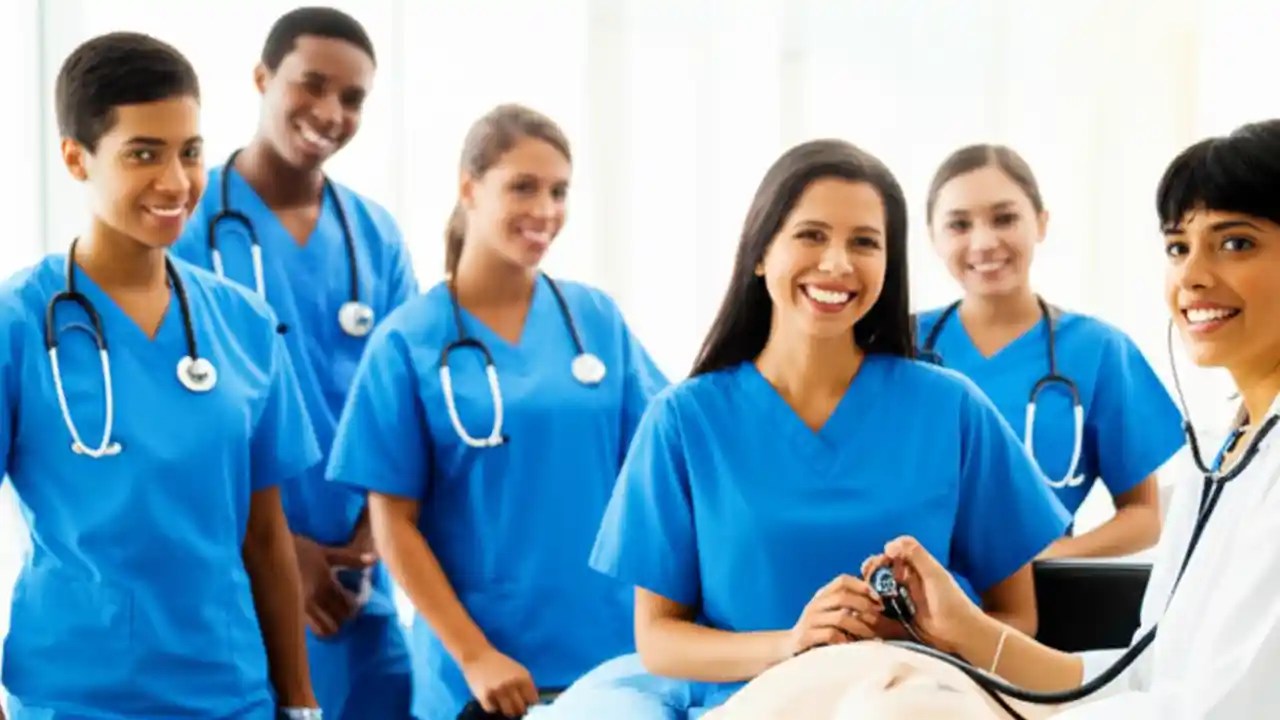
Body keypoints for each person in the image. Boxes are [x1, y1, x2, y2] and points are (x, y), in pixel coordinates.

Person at [543, 138, 1071, 719]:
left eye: (865, 243)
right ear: (762, 252)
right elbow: (660, 640)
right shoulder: (684, 422)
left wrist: (927, 639)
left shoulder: (953, 410)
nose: (838, 264)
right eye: (811, 235)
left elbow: (1017, 617)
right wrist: (793, 645)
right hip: (755, 703)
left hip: (913, 697)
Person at [808, 119, 1280, 719]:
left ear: (1041, 221)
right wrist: (968, 631)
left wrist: (1051, 552)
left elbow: (1214, 709)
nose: (1191, 276)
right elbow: (1142, 675)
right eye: (1177, 248)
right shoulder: (1224, 461)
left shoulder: (1100, 352)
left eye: (1235, 243)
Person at [0, 32, 321, 719]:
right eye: (143, 153)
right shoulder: (18, 324)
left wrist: (300, 704)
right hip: (72, 699)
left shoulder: (245, 324)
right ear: (76, 158)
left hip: (228, 694)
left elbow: (266, 536)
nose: (176, 182)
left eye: (191, 152)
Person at [325, 103, 669, 720]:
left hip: (614, 666)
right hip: (480, 679)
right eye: (524, 187)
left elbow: (663, 469)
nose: (546, 210)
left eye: (560, 191)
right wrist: (475, 654)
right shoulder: (409, 341)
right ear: (468, 188)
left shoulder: (594, 321)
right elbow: (392, 524)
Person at [170, 8, 417, 717]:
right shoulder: (187, 227)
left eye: (353, 98)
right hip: (238, 574)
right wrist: (284, 549)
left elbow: (405, 403)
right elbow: (186, 422)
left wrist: (378, 525)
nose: (331, 112)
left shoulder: (375, 236)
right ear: (261, 79)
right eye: (312, 85)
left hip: (358, 582)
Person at [915, 145, 1185, 558]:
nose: (984, 241)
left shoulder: (1099, 352)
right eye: (959, 225)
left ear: (1041, 223)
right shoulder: (900, 345)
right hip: (904, 602)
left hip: (1039, 608)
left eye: (1005, 218)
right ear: (933, 237)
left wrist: (1044, 558)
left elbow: (1144, 516)